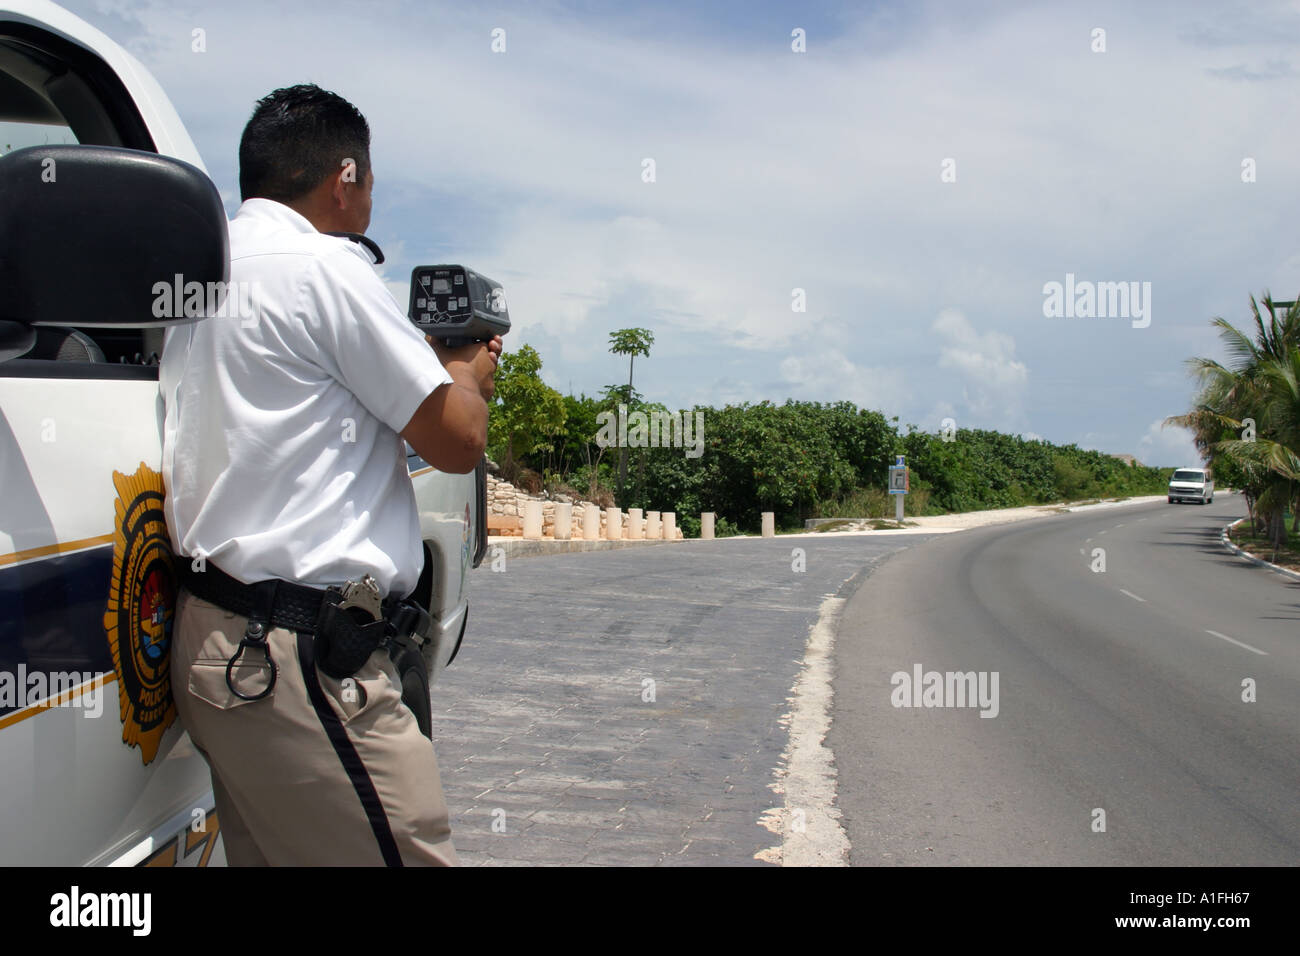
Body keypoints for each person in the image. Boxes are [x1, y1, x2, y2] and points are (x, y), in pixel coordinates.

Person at [159, 84, 500, 865]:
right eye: (371, 181)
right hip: (298, 657)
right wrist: (467, 368)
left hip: (226, 638)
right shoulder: (324, 269)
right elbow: (454, 440)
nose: (372, 197)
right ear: (344, 177)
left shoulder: (208, 270)